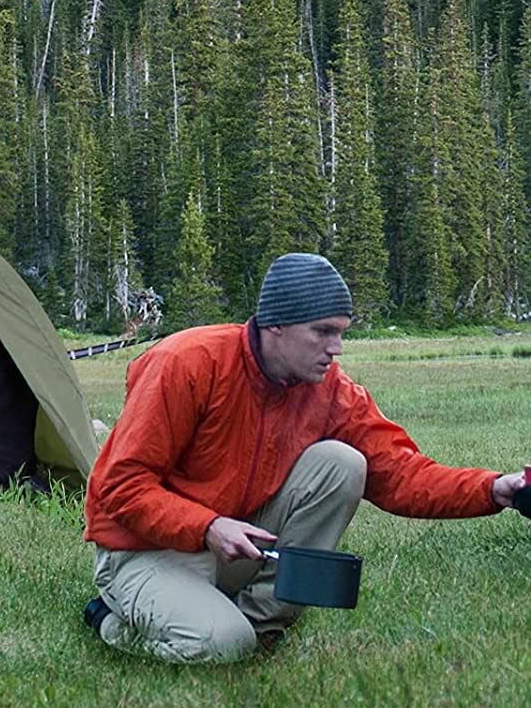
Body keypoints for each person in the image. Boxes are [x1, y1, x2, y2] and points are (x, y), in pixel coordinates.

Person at [81, 252, 529, 661]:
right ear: (276, 325)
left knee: (343, 462)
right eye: (323, 332)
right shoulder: (188, 363)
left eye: (340, 333)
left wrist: (493, 489)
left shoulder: (329, 391)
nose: (335, 349)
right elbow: (119, 487)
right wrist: (207, 526)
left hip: (233, 544)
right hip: (145, 551)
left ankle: (261, 624)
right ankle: (111, 619)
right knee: (220, 644)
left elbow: (400, 473)